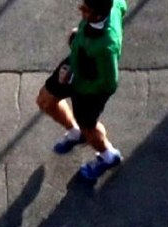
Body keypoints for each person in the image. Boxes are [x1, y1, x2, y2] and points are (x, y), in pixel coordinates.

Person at [37, 0, 126, 181]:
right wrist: (79, 36)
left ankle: (109, 156)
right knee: (45, 101)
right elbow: (122, 5)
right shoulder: (113, 4)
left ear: (98, 15)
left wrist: (74, 81)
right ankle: (75, 133)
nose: (80, 9)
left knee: (89, 127)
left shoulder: (107, 46)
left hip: (89, 90)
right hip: (77, 62)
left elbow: (109, 83)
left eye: (85, 8)